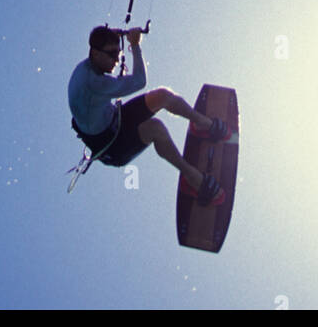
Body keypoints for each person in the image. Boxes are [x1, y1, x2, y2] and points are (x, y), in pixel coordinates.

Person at [68, 24, 227, 205]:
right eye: (112, 54)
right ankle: (193, 179)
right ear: (96, 54)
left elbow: (101, 40)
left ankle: (203, 124)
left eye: (118, 54)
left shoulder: (93, 62)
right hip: (111, 146)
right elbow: (139, 81)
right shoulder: (93, 82)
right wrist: (135, 45)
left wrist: (115, 37)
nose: (117, 60)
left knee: (162, 95)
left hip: (115, 119)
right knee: (156, 129)